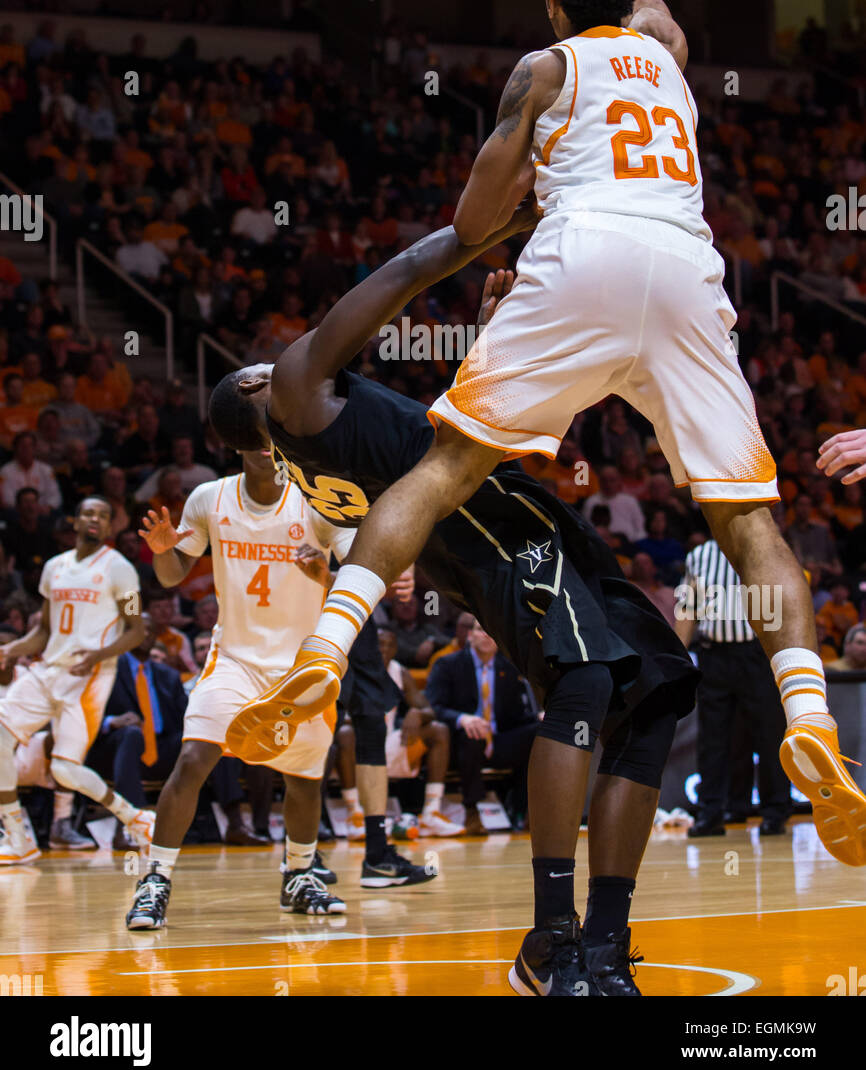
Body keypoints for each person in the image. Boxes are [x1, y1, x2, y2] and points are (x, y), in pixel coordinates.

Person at [255, 0, 865, 875]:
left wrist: (519, 194)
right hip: (684, 267)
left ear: (547, 5)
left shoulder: (543, 67)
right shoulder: (670, 55)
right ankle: (810, 717)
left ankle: (330, 635)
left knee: (443, 466)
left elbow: (472, 224)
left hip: (578, 254)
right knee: (748, 525)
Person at [206, 218, 697, 995]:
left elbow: (442, 447)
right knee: (586, 684)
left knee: (658, 691)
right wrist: (484, 224)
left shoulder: (311, 459)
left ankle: (605, 940)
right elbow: (400, 273)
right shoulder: (298, 383)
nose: (278, 356)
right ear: (256, 392)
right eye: (257, 367)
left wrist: (492, 337)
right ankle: (550, 937)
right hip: (493, 536)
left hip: (503, 525)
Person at [124, 448, 355, 930]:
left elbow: (362, 576)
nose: (270, 451)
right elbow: (171, 577)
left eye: (276, 441)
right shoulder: (210, 497)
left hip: (300, 664)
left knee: (306, 777)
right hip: (233, 658)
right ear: (239, 445)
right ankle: (154, 879)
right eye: (259, 441)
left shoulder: (318, 499)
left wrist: (325, 575)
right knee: (193, 760)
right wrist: (164, 552)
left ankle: (298, 873)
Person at [0, 497, 154, 864]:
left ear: (110, 525)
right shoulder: (55, 567)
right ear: (75, 518)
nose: (95, 520)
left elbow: (137, 631)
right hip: (49, 669)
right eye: (88, 513)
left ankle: (134, 817)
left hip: (91, 676)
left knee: (64, 769)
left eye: (103, 515)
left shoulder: (121, 570)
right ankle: (18, 837)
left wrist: (99, 655)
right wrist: (12, 649)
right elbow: (45, 631)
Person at [678, 538, 790, 839]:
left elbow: (787, 603)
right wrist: (676, 656)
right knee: (712, 739)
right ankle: (711, 813)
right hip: (713, 654)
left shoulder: (767, 548)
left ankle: (775, 811)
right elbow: (687, 609)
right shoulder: (699, 555)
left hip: (757, 654)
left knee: (768, 735)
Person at [336, 624, 464, 838]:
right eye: (379, 644)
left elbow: (429, 710)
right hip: (358, 748)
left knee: (438, 730)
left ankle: (431, 812)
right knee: (346, 733)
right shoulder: (348, 670)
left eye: (389, 645)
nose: (383, 650)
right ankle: (355, 813)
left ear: (396, 650)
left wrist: (418, 714)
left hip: (388, 744)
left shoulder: (400, 672)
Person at [87, 615, 188, 851]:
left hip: (160, 750)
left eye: (150, 631)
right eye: (139, 630)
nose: (145, 635)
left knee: (203, 742)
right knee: (131, 735)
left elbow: (186, 719)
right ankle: (130, 825)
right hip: (114, 753)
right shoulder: (107, 669)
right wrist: (112, 722)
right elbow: (86, 711)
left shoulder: (168, 676)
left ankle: (233, 823)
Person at [426, 620, 537, 836]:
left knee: (538, 735)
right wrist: (462, 719)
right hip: (460, 744)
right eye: (480, 630)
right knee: (473, 734)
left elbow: (516, 717)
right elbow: (432, 708)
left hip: (498, 740)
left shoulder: (509, 668)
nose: (486, 635)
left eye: (491, 631)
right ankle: (472, 811)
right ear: (470, 636)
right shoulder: (447, 664)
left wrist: (538, 718)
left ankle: (523, 810)